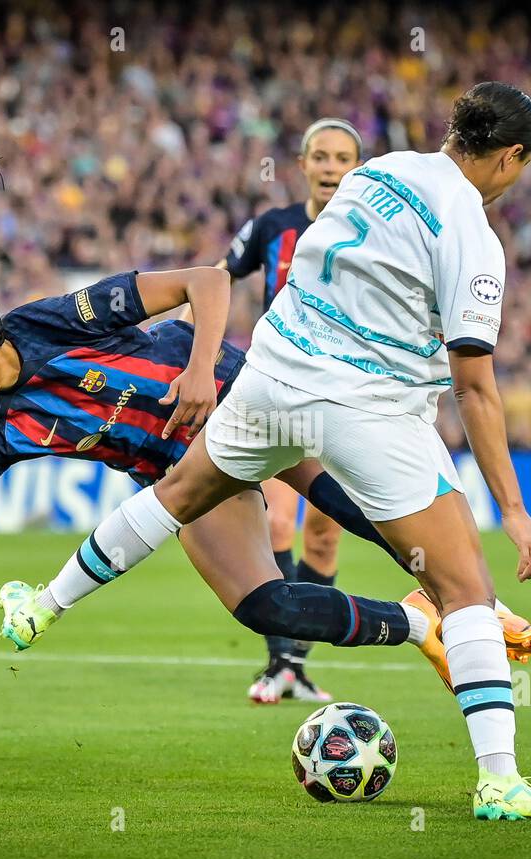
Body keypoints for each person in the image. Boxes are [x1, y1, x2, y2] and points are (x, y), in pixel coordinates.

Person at [0, 130, 531, 701]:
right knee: (265, 605)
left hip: (243, 394)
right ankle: (420, 622)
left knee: (358, 510)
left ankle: (474, 605)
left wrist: (198, 371)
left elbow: (207, 281)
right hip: (175, 475)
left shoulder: (52, 318)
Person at [7, 82, 531, 820]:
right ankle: (500, 780)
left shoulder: (376, 172)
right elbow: (475, 387)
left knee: (177, 494)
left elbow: (306, 259)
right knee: (468, 588)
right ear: (511, 158)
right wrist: (515, 511)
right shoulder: (471, 234)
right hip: (362, 406)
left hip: (270, 379)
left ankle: (43, 603)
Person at [216, 118, 363, 704]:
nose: (330, 167)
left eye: (343, 158)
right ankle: (277, 663)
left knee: (326, 536)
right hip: (277, 390)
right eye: (321, 157)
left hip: (347, 396)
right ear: (302, 165)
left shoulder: (374, 233)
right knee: (277, 522)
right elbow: (215, 281)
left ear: (359, 169)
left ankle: (293, 668)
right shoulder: (272, 228)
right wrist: (196, 352)